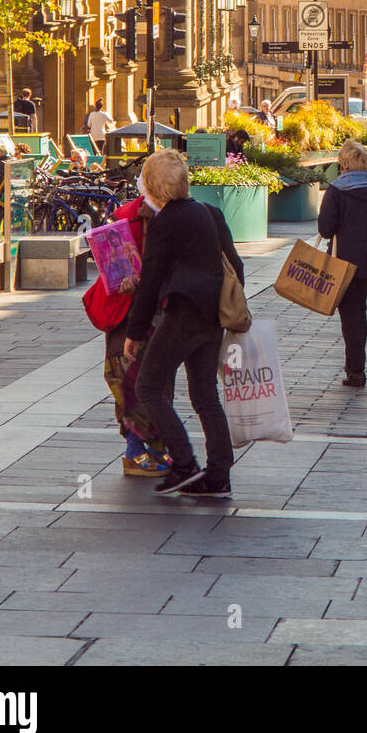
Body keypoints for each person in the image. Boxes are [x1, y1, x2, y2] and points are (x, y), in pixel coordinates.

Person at [122, 149, 244, 498]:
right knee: (205, 395)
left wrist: (134, 332)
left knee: (148, 387)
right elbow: (235, 265)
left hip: (183, 315)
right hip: (211, 316)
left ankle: (184, 463)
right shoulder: (209, 213)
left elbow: (150, 280)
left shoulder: (164, 222)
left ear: (154, 187)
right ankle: (218, 475)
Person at [83, 192, 172, 477]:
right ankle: (135, 450)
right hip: (127, 316)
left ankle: (156, 447)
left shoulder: (174, 217)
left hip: (158, 313)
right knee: (129, 382)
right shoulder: (128, 217)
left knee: (157, 382)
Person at [316, 139, 367, 388]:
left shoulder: (336, 190)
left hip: (342, 261)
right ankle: (355, 366)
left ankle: (355, 370)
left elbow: (326, 228)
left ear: (343, 164)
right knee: (357, 311)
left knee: (351, 315)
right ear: (364, 164)